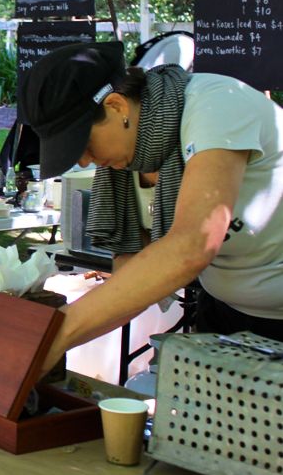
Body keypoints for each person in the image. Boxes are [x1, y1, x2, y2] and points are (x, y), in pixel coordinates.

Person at [18, 42, 283, 374]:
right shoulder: (134, 154)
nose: (84, 160)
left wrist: (57, 335)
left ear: (116, 106)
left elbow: (192, 246)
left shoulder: (218, 106)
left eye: (83, 144)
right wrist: (52, 339)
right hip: (227, 315)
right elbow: (132, 274)